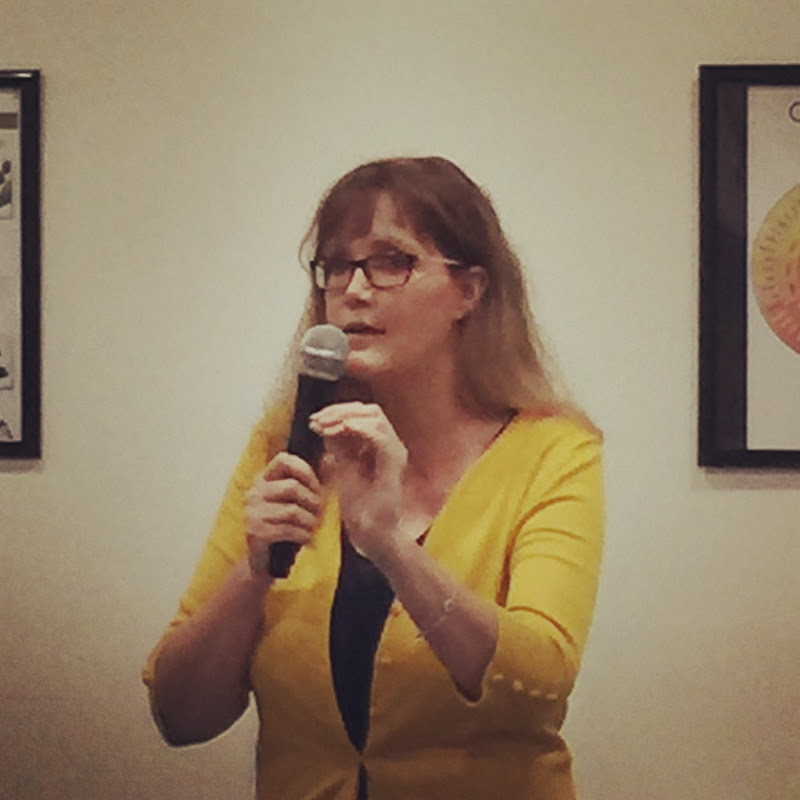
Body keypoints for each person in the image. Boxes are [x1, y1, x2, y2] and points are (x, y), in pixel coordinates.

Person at [142, 156, 604, 800]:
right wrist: (253, 572)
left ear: (470, 291)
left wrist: (388, 546)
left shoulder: (552, 451)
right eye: (337, 265)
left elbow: (539, 689)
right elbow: (180, 715)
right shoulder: (285, 444)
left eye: (392, 261)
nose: (354, 290)